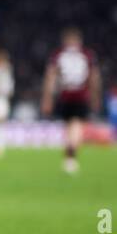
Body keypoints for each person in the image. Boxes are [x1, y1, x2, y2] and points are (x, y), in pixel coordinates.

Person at [41, 28, 100, 174]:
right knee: (77, 125)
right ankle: (71, 153)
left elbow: (50, 77)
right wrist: (95, 96)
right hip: (81, 95)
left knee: (68, 126)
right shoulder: (87, 54)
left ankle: (69, 155)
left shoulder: (58, 55)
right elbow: (94, 77)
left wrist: (47, 98)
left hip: (65, 95)